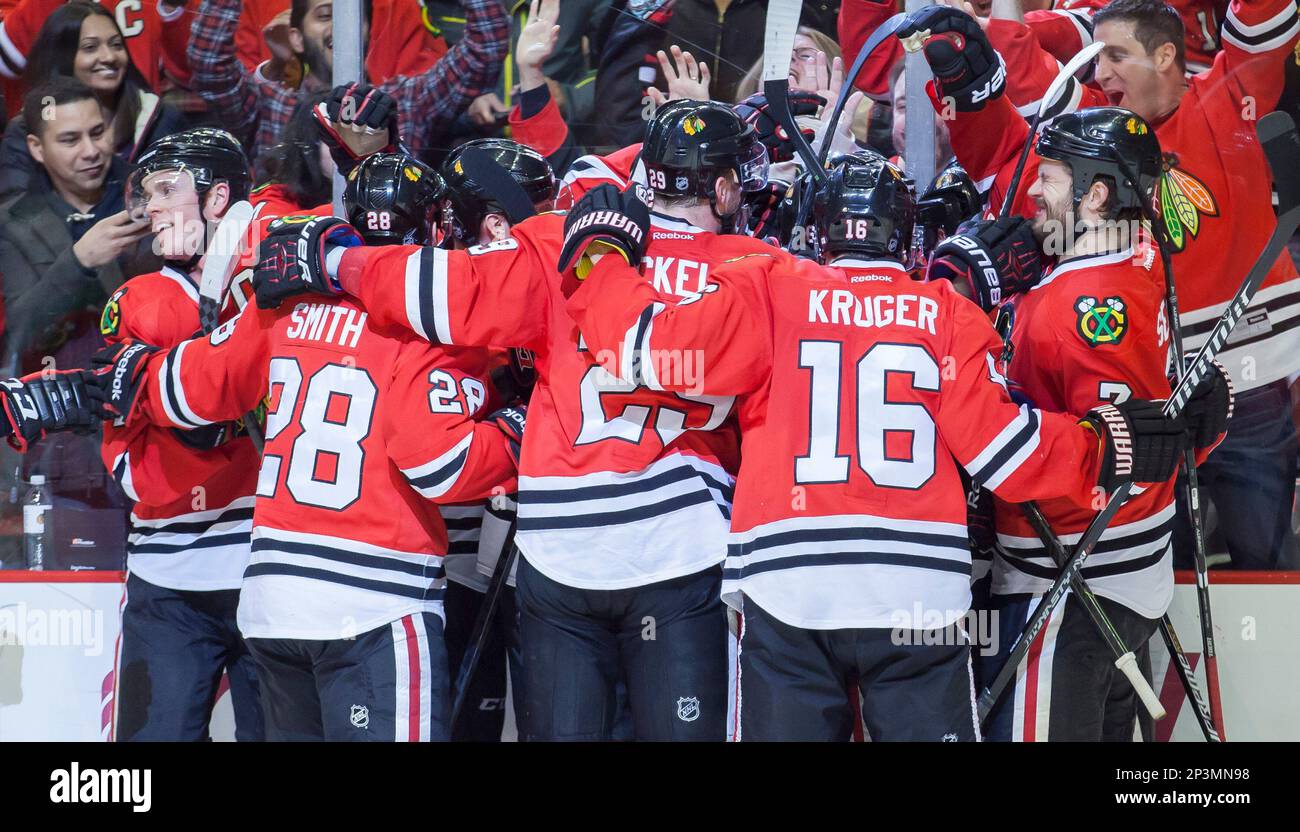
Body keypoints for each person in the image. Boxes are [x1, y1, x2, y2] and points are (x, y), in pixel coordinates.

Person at [557, 154, 1220, 741]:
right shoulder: (945, 313)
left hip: (790, 587)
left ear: (815, 233)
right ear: (904, 241)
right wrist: (1105, 446)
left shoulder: (768, 287)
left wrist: (602, 257)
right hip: (916, 592)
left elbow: (646, 350)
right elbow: (1006, 457)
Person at [248, 99, 781, 741]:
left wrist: (338, 262)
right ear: (722, 187)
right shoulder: (757, 268)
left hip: (559, 546)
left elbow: (445, 291)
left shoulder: (556, 238)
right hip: (680, 546)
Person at [86, 187, 524, 744]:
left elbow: (189, 390)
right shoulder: (435, 328)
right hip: (375, 603)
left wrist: (125, 377)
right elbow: (441, 465)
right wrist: (514, 430)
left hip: (274, 603)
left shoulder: (284, 311)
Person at [900, 0, 1300, 567]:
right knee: (1167, 563)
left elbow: (1263, 25)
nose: (1101, 71)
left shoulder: (1225, 99)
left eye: (1117, 55)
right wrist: (970, 79)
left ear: (1167, 55)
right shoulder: (1090, 144)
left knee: (1265, 561)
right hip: (1142, 398)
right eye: (1095, 57)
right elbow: (1006, 147)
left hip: (1247, 383)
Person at [927, 107, 1231, 740]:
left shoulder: (1066, 305)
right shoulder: (1149, 261)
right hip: (1136, 575)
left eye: (1052, 178)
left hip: (1069, 580)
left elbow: (1091, 452)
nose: (1035, 192)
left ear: (1095, 194)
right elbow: (1156, 423)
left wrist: (966, 304)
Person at [103, 128, 265, 741]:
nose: (153, 209)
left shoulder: (270, 289)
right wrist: (220, 426)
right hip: (169, 581)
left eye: (168, 190)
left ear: (219, 197)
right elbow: (128, 467)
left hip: (270, 571)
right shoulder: (144, 301)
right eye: (147, 193)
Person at [187, 0, 510, 162]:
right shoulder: (269, 106)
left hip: (382, 270)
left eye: (353, 18)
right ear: (296, 39)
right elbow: (208, 62)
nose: (341, 28)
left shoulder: (406, 102)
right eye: (326, 16)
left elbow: (486, 47)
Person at [0, 1, 187, 204]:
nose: (108, 57)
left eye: (117, 45)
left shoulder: (160, 119)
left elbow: (182, 206)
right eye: (90, 48)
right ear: (64, 58)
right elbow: (14, 216)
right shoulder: (26, 129)